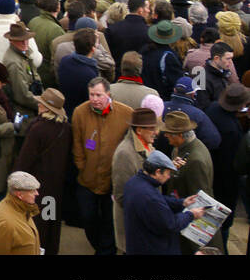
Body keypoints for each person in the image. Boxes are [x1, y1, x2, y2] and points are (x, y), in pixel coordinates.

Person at [72, 77, 133, 255]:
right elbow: (76, 142)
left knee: (109, 221)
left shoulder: (126, 113)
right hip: (87, 179)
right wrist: (80, 165)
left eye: (98, 95)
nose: (94, 99)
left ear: (108, 94)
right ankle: (100, 247)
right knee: (88, 218)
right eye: (91, 95)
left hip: (112, 180)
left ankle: (105, 251)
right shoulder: (79, 113)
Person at [13, 88, 73, 255]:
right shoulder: (66, 129)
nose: (38, 105)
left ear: (45, 108)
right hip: (55, 188)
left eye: (41, 103)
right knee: (50, 223)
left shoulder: (37, 128)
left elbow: (25, 160)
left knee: (36, 225)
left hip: (36, 188)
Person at [121, 150, 205, 255]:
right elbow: (171, 225)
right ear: (157, 172)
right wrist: (191, 215)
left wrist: (182, 203)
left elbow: (159, 200)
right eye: (168, 173)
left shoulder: (134, 182)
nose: (169, 177)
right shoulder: (149, 196)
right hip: (153, 248)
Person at [0, 171, 42, 255]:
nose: (37, 193)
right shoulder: (5, 224)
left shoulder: (22, 209)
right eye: (32, 191)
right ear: (19, 194)